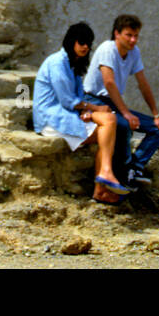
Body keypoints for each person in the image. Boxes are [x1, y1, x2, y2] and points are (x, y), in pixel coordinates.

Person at [33, 22, 130, 202]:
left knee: (108, 124)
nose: (86, 46)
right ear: (72, 41)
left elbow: (77, 97)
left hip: (67, 115)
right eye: (82, 42)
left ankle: (102, 182)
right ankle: (104, 179)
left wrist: (84, 110)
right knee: (107, 122)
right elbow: (68, 100)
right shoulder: (57, 63)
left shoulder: (73, 65)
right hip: (51, 120)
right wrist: (95, 108)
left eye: (89, 43)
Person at [83, 14, 159, 187]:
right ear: (117, 33)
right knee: (123, 125)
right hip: (94, 98)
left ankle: (134, 168)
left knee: (157, 128)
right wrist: (126, 113)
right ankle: (120, 175)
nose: (133, 40)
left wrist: (156, 114)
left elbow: (143, 84)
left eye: (136, 36)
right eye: (129, 35)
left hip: (113, 101)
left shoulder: (133, 52)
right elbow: (108, 82)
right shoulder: (107, 48)